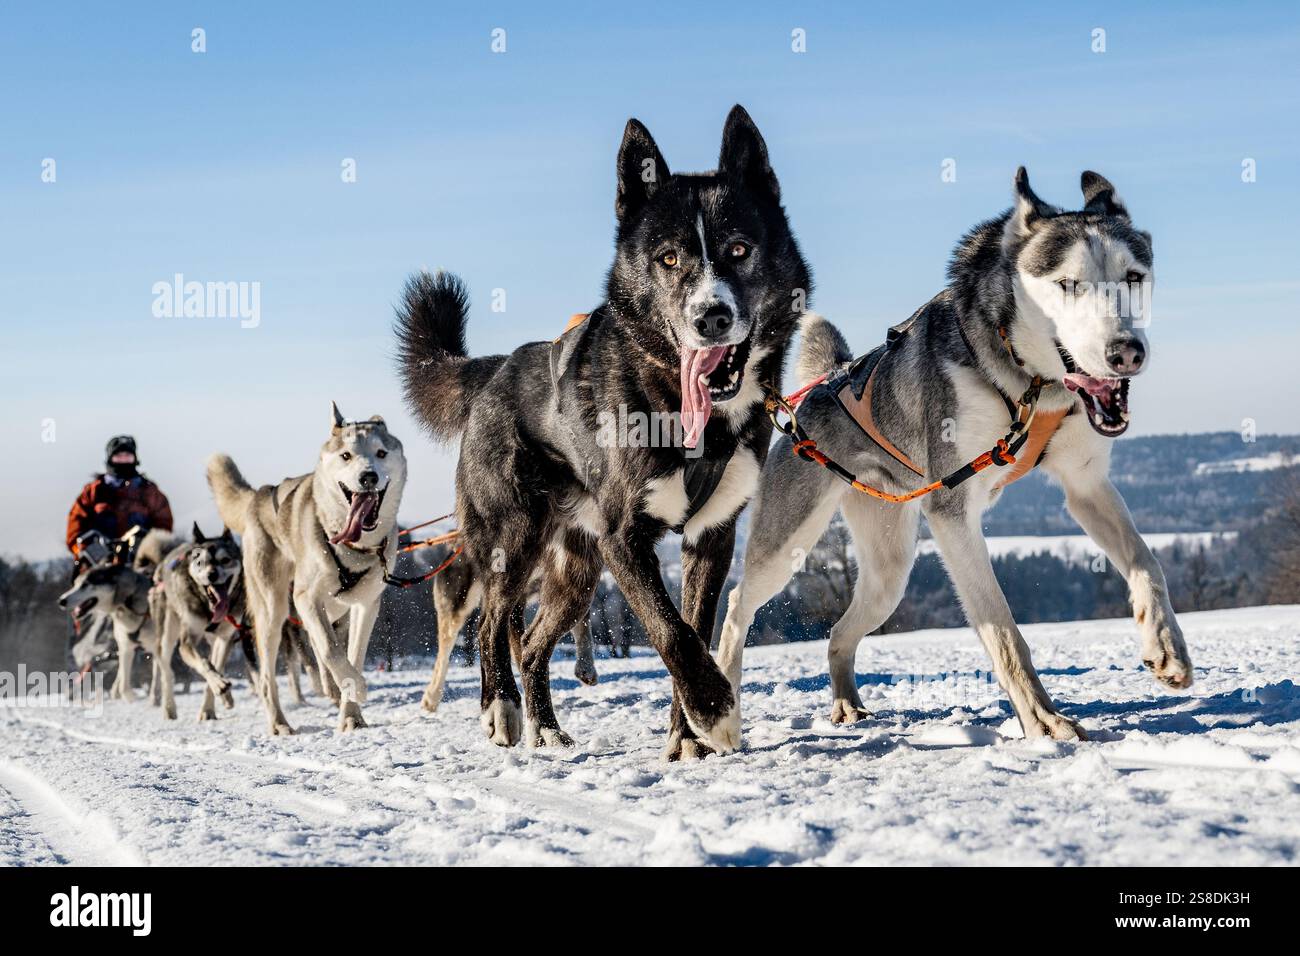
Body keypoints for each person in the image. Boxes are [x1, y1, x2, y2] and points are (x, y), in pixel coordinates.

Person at [65, 435, 173, 562]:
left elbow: (164, 529)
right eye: (118, 457)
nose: (123, 460)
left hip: (140, 564)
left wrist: (147, 550)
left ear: (135, 459)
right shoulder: (93, 492)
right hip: (98, 566)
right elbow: (74, 532)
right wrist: (93, 553)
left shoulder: (150, 492)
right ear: (110, 459)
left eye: (127, 456)